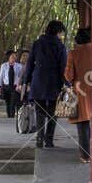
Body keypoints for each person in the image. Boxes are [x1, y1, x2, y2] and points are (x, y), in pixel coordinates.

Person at [21, 19, 68, 149]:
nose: (61, 35)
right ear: (57, 32)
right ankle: (49, 140)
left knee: (39, 110)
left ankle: (39, 139)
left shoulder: (37, 43)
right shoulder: (60, 46)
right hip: (54, 81)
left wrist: (26, 81)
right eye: (61, 32)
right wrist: (67, 83)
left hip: (38, 80)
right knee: (53, 111)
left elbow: (30, 63)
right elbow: (63, 67)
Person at [65, 26, 92, 161]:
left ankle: (85, 156)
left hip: (80, 90)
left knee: (83, 125)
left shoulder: (74, 53)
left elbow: (68, 75)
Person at [0, 49, 21, 118]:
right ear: (9, 57)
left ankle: (12, 116)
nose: (14, 57)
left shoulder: (19, 66)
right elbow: (1, 77)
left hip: (15, 87)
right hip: (6, 87)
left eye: (15, 56)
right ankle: (9, 116)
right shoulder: (4, 66)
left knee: (13, 102)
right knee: (8, 103)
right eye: (12, 56)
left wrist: (19, 85)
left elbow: (21, 77)